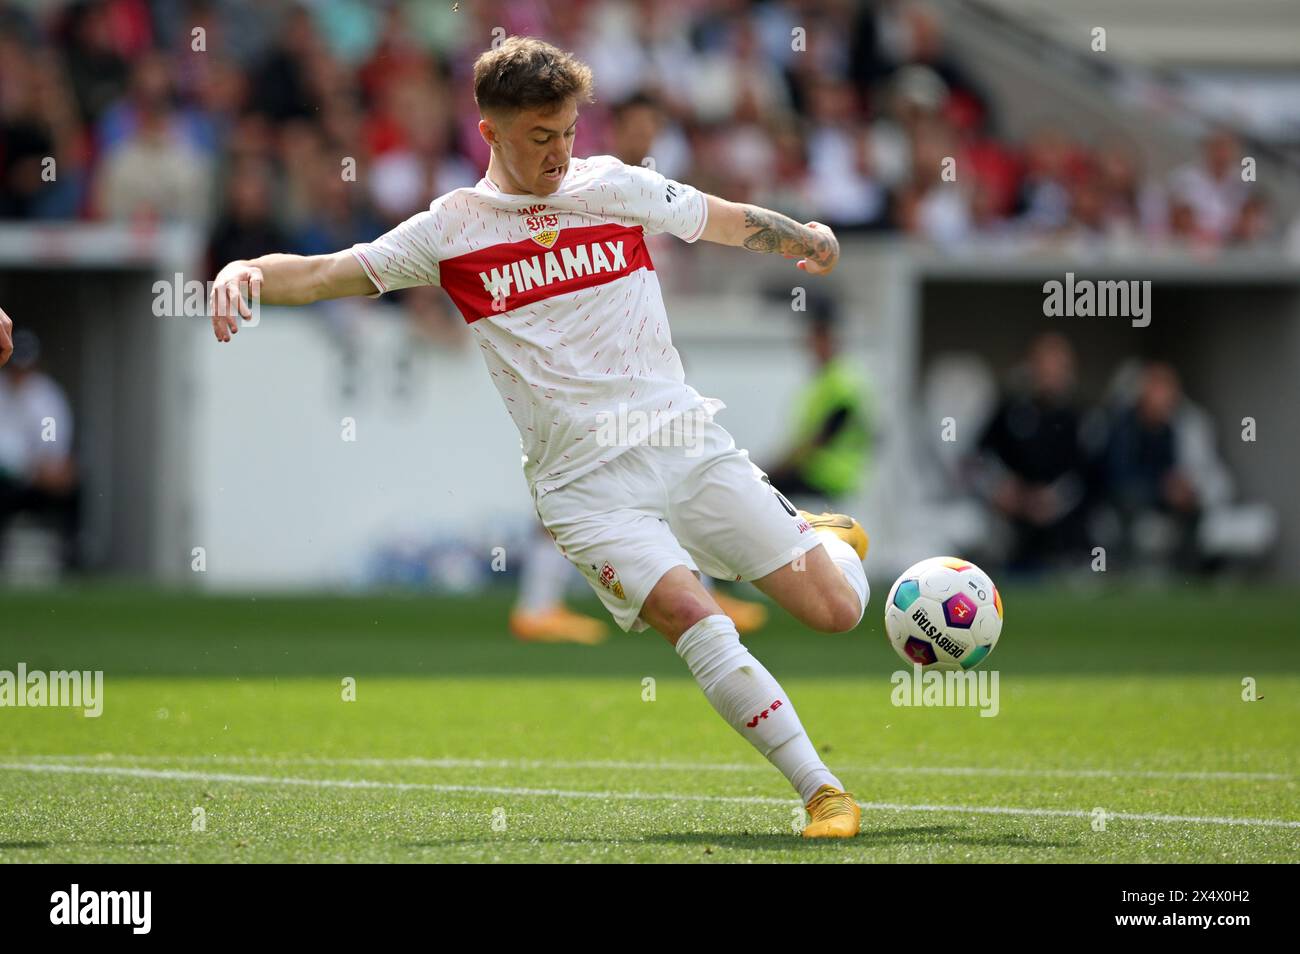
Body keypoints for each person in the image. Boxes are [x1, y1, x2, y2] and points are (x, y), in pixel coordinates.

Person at [208, 37, 870, 839]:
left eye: (566, 132)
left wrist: (801, 236)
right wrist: (245, 267)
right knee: (693, 614)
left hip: (682, 440)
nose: (559, 153)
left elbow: (719, 220)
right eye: (538, 137)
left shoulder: (615, 186)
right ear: (489, 132)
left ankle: (823, 542)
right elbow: (324, 273)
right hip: (584, 489)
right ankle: (821, 791)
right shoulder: (451, 230)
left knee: (836, 611)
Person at [0, 328, 79, 571]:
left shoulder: (46, 396)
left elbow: (55, 455)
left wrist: (38, 468)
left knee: (70, 484)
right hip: (5, 477)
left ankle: (71, 556)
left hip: (32, 477)